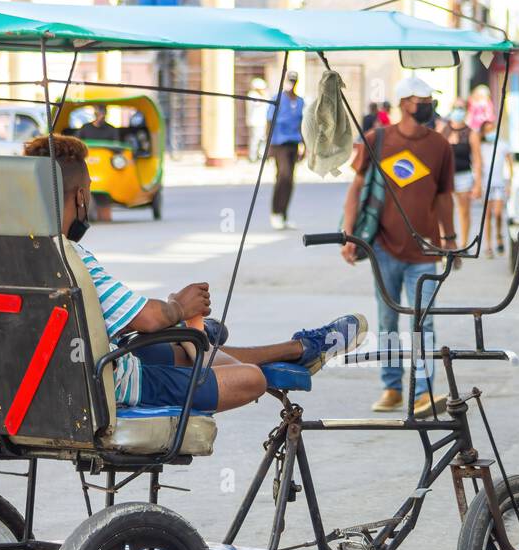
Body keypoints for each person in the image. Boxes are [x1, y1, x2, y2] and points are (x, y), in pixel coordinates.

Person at [23, 134, 364, 412]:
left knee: (176, 344)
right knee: (249, 378)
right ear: (81, 197)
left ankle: (295, 348)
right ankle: (200, 339)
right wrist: (179, 309)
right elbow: (148, 319)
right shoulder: (67, 256)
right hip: (111, 384)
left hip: (50, 377)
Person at [340, 75, 456, 418]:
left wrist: (449, 241)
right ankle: (391, 387)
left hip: (425, 253)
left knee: (425, 323)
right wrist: (349, 233)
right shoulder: (378, 140)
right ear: (405, 103)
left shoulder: (440, 146)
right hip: (384, 248)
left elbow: (444, 196)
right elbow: (356, 189)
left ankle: (424, 392)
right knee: (387, 321)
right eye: (422, 100)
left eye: (430, 100)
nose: (428, 106)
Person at [439, 99, 476, 252]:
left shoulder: (471, 132)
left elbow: (477, 159)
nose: (458, 111)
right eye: (455, 108)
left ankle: (463, 243)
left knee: (463, 209)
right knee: (444, 208)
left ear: (466, 111)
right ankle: (444, 240)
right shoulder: (443, 130)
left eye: (461, 108)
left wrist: (478, 182)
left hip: (464, 175)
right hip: (446, 175)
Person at [269, 71, 305, 230]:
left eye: (294, 80)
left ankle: (284, 215)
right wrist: (269, 146)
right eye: (290, 80)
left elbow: (301, 124)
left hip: (293, 143)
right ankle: (275, 212)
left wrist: (305, 146)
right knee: (283, 176)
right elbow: (269, 122)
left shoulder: (300, 102)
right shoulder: (277, 99)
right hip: (279, 144)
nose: (292, 83)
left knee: (290, 181)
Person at [474, 116, 511, 258]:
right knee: (487, 215)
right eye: (487, 130)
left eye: (492, 129)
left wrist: (509, 184)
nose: (490, 133)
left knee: (498, 213)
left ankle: (499, 235)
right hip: (485, 184)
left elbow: (510, 163)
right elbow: (477, 165)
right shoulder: (481, 147)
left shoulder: (502, 145)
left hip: (499, 184)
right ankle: (488, 245)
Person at [245, 77, 269, 162]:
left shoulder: (261, 95)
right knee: (255, 140)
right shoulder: (252, 95)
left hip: (262, 122)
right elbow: (258, 103)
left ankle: (261, 156)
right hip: (255, 122)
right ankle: (252, 157)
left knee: (262, 139)